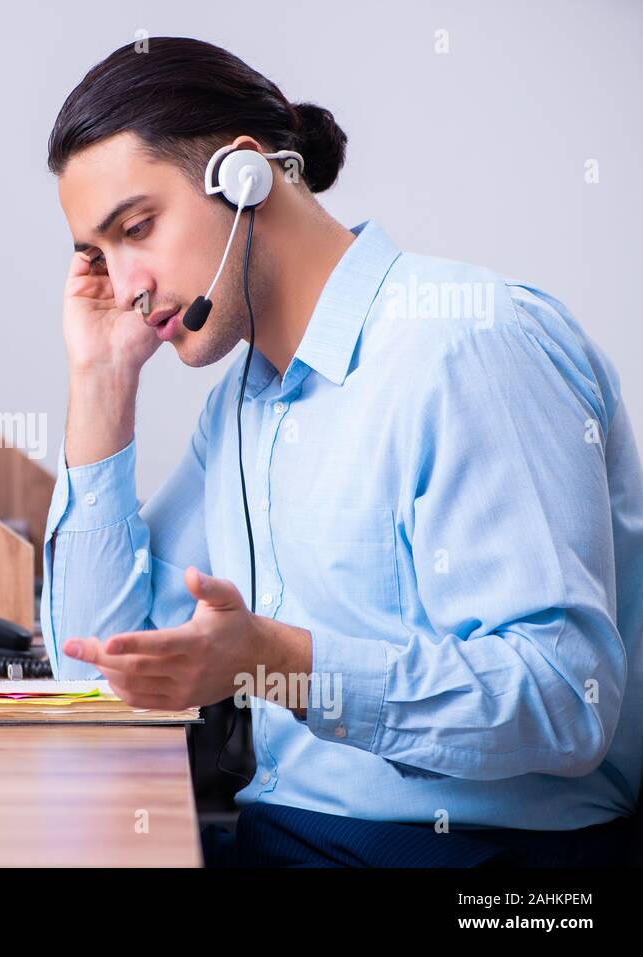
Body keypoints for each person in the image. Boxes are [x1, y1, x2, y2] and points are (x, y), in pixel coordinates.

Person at [41, 36, 643, 867]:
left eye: (136, 228)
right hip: (282, 841)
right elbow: (97, 678)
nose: (128, 284)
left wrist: (285, 664)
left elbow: (565, 700)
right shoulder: (244, 408)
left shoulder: (464, 344)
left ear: (244, 177)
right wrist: (101, 383)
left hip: (481, 864)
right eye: (99, 256)